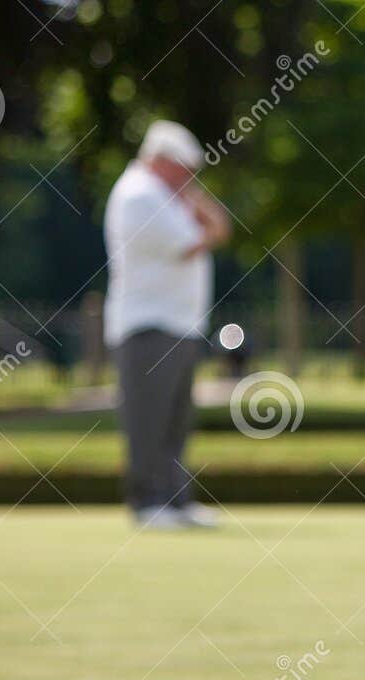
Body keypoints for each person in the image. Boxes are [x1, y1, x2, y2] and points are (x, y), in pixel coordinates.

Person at [103, 120, 230, 529]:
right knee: (149, 418)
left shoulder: (164, 196)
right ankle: (147, 503)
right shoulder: (140, 195)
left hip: (179, 323)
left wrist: (191, 199)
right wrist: (197, 205)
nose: (190, 178)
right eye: (185, 169)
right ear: (160, 161)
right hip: (148, 324)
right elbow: (204, 236)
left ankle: (175, 500)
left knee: (175, 419)